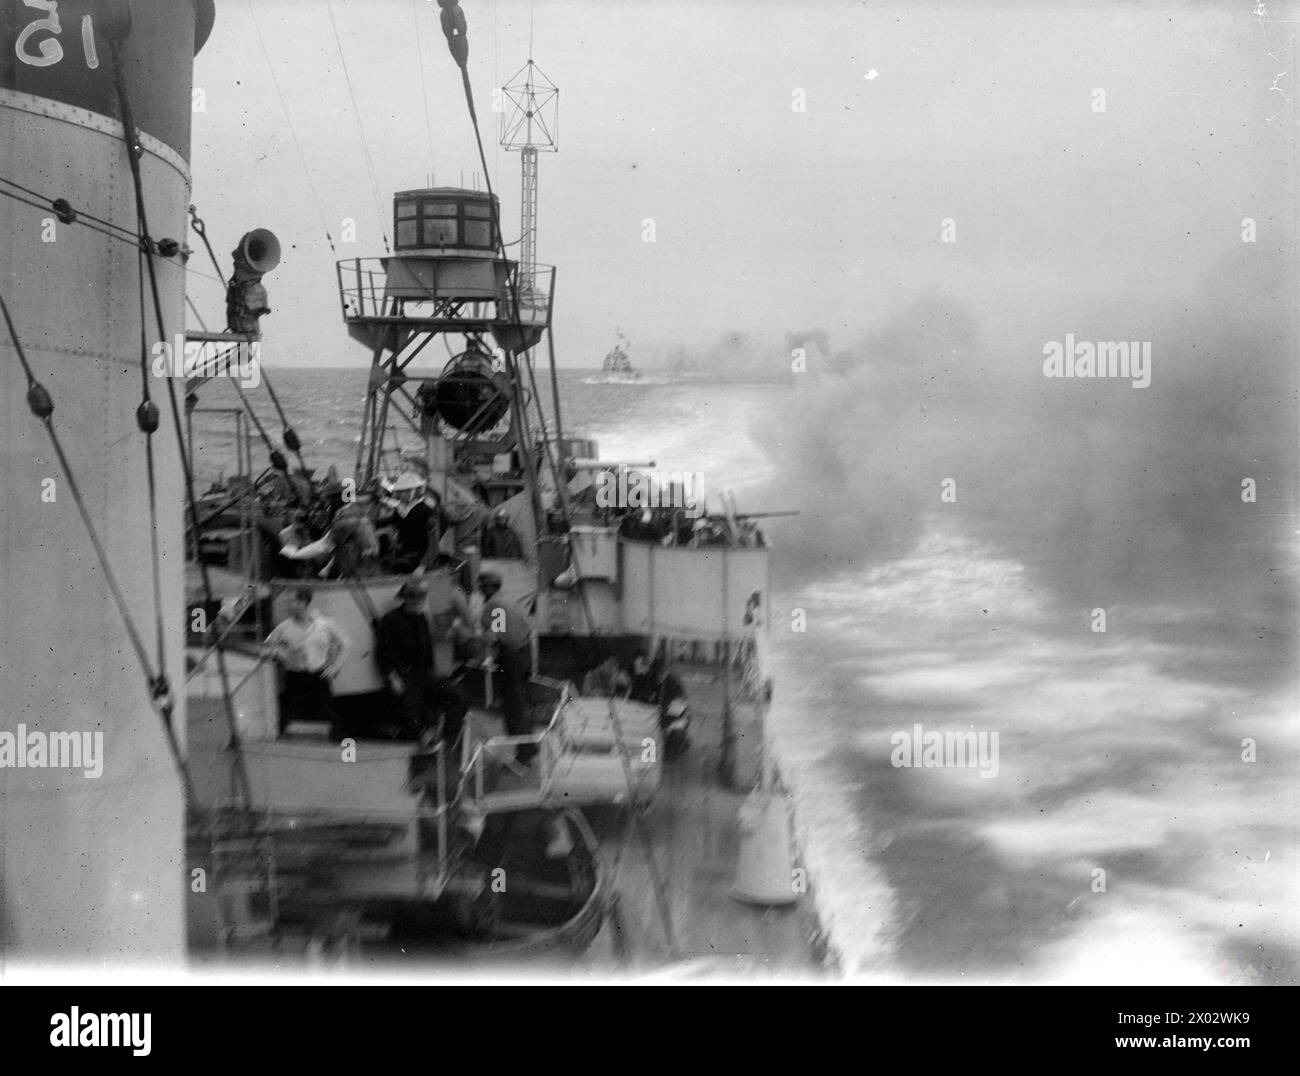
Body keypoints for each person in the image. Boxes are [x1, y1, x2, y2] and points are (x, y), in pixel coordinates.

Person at [375, 579, 467, 749]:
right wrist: (392, 676)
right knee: (410, 707)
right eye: (415, 600)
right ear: (406, 600)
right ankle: (424, 738)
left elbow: (427, 646)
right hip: (404, 675)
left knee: (458, 697)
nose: (419, 603)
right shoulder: (390, 620)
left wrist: (435, 670)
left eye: (421, 600)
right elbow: (382, 653)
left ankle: (449, 740)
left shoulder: (421, 618)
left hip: (424, 672)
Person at [263, 587, 349, 739]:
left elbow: (344, 643)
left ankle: (338, 745)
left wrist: (335, 667)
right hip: (295, 676)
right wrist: (280, 654)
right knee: (291, 713)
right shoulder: (283, 627)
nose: (289, 605)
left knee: (328, 712)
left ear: (303, 603)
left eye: (293, 601)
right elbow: (268, 646)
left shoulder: (324, 624)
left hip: (319, 674)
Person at [477, 570, 537, 764]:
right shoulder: (508, 602)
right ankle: (528, 747)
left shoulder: (494, 605)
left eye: (482, 587)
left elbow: (495, 636)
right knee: (519, 704)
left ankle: (526, 752)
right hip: (524, 654)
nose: (479, 590)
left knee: (514, 706)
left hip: (511, 659)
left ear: (488, 588)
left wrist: (466, 634)